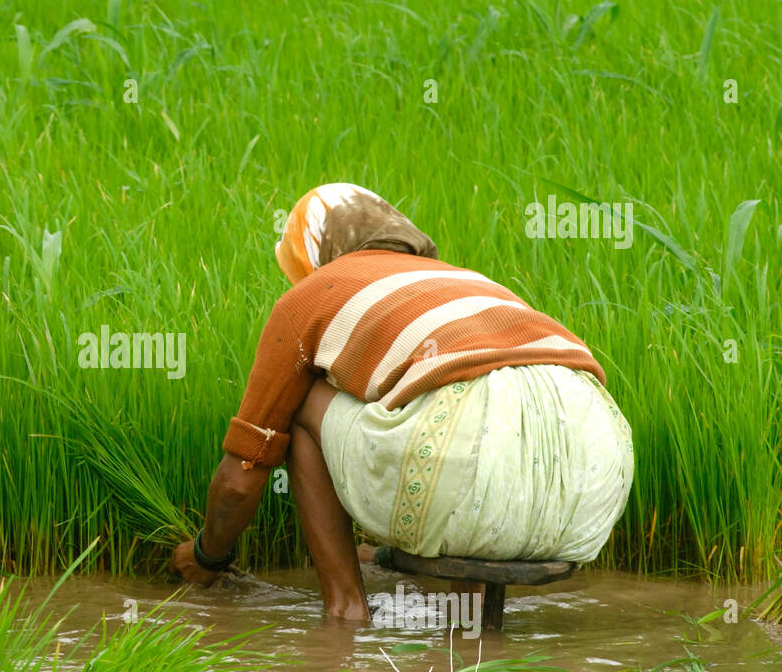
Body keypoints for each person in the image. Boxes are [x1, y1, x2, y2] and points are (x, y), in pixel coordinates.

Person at [169, 183, 633, 620]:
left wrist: (207, 557)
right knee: (473, 407)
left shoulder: (315, 293)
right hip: (597, 480)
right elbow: (500, 409)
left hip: (471, 468)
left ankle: (346, 610)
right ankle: (467, 624)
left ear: (316, 257)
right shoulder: (471, 282)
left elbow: (242, 476)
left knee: (306, 401)